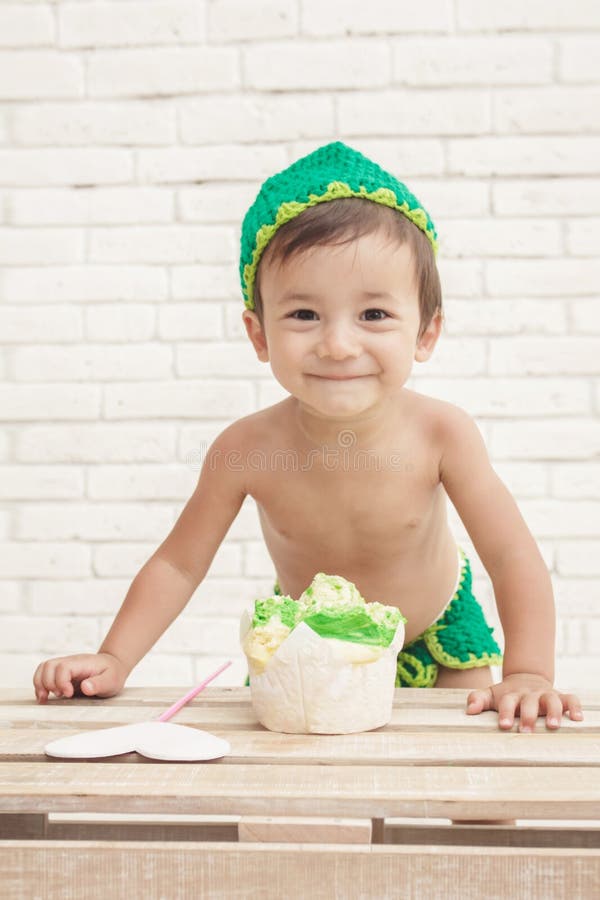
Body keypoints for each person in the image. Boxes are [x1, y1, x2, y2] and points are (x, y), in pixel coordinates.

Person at [33, 141, 583, 732]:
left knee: (482, 781)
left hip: (436, 637)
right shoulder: (246, 449)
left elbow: (510, 554)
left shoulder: (441, 432)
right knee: (289, 782)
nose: (338, 345)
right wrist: (115, 657)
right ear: (258, 333)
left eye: (373, 315)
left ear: (425, 332)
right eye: (304, 315)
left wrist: (529, 671)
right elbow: (178, 565)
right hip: (306, 646)